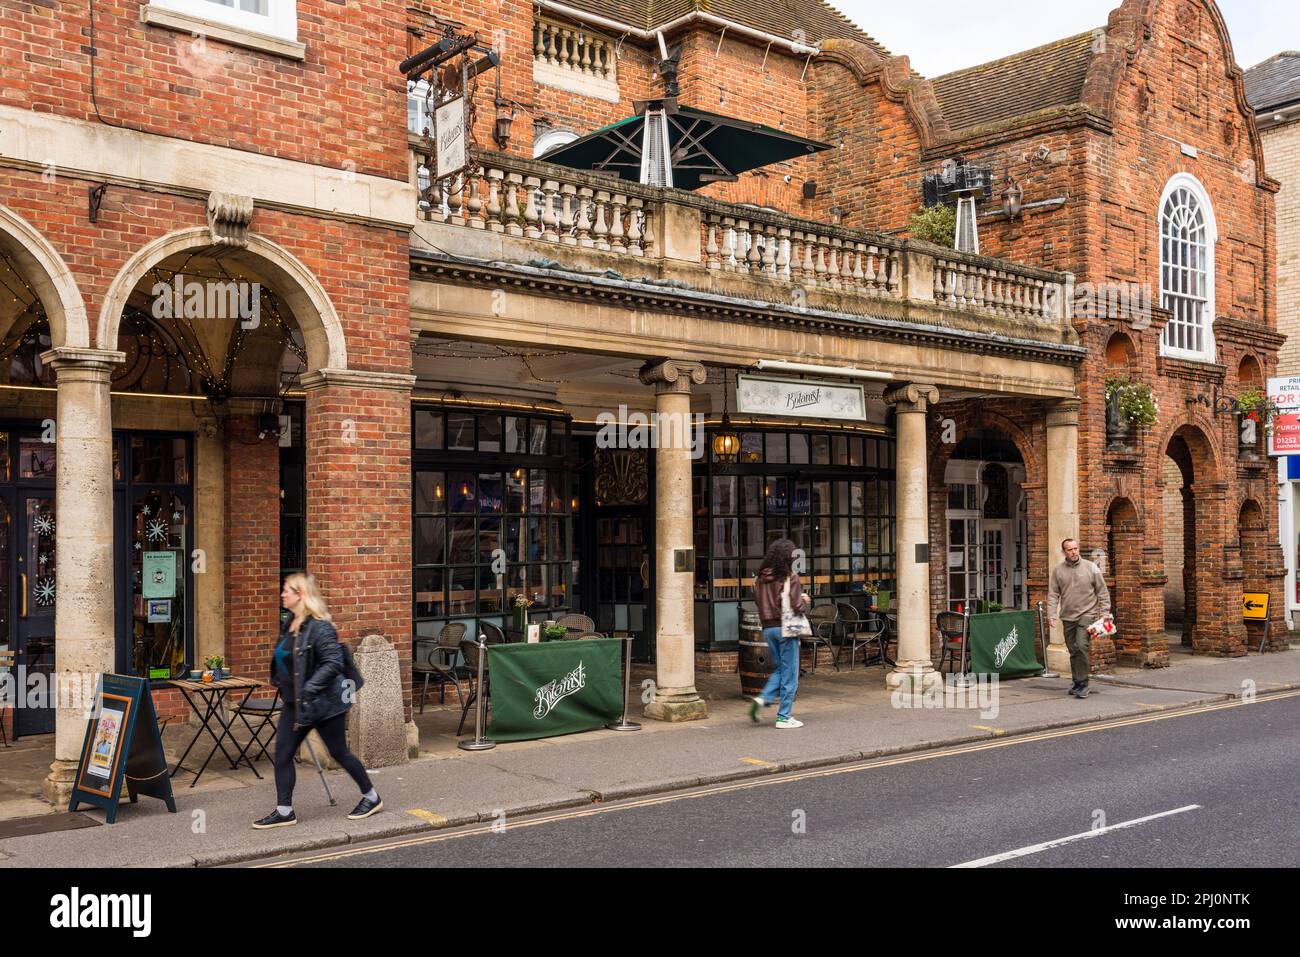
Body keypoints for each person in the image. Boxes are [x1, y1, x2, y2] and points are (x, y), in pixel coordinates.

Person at [253, 573, 382, 828]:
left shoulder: (319, 627)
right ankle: (284, 810)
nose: (283, 594)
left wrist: (310, 688)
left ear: (300, 595)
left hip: (324, 704)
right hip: (295, 703)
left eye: (287, 590)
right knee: (283, 754)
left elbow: (333, 662)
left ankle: (372, 796)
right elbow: (287, 658)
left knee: (339, 752)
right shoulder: (290, 621)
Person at [748, 538, 809, 729]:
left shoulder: (760, 578)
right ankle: (784, 716)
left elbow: (758, 602)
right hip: (786, 629)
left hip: (768, 628)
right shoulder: (791, 577)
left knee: (780, 670)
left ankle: (762, 700)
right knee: (790, 673)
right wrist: (804, 600)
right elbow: (797, 606)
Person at [1047, 538, 1112, 699]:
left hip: (1087, 614)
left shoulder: (1091, 568)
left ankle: (1083, 683)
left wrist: (1105, 613)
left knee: (1082, 646)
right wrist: (1051, 614)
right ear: (1064, 552)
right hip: (1068, 616)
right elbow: (1053, 594)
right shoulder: (1058, 571)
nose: (1074, 552)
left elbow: (1102, 592)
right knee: (1073, 649)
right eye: (1070, 549)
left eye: (1075, 548)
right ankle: (1077, 682)